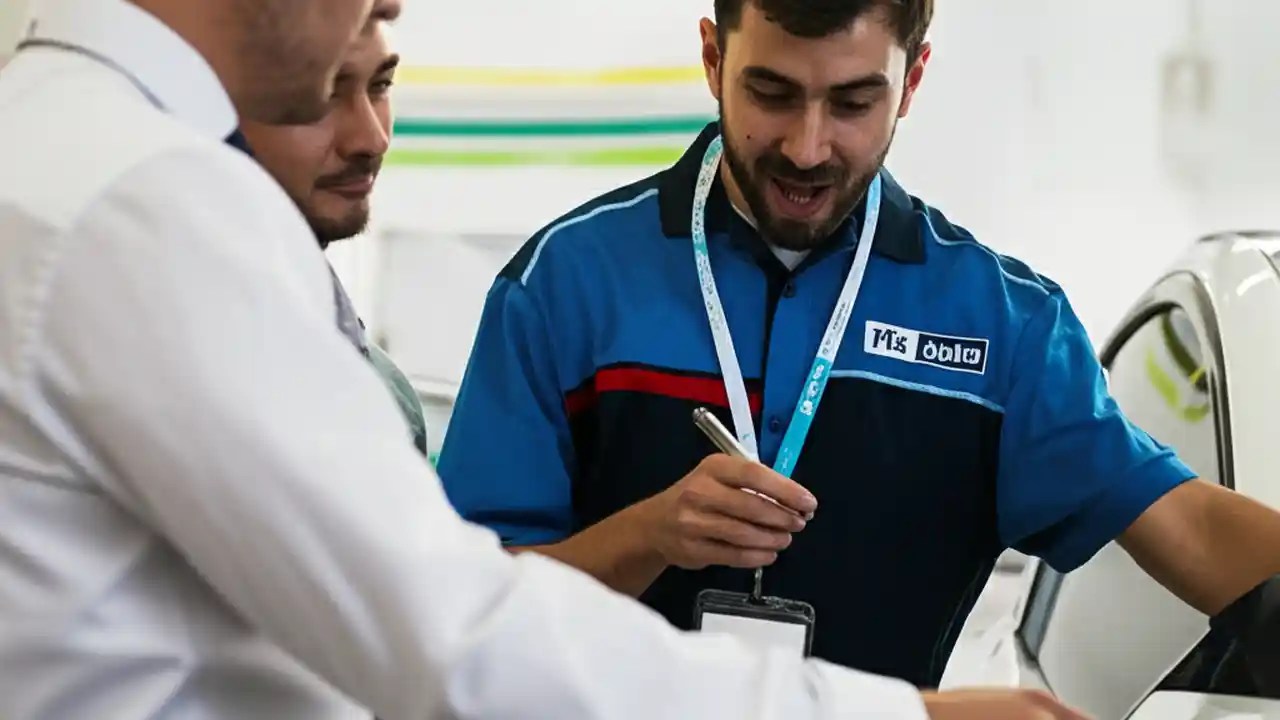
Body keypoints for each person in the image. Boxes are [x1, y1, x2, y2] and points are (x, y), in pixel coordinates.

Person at [0, 0, 1091, 718]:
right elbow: (452, 637)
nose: (373, 21)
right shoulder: (149, 201)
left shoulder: (53, 142)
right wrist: (897, 715)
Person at [437, 0, 1280, 691]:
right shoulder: (564, 286)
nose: (808, 148)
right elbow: (454, 618)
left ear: (911, 80)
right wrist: (648, 535)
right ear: (711, 60)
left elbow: (1188, 524)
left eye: (851, 103)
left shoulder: (1003, 325)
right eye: (770, 93)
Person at [237, 19, 427, 456]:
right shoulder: (168, 350)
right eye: (324, 96)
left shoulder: (385, 389)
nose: (372, 139)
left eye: (380, 86)